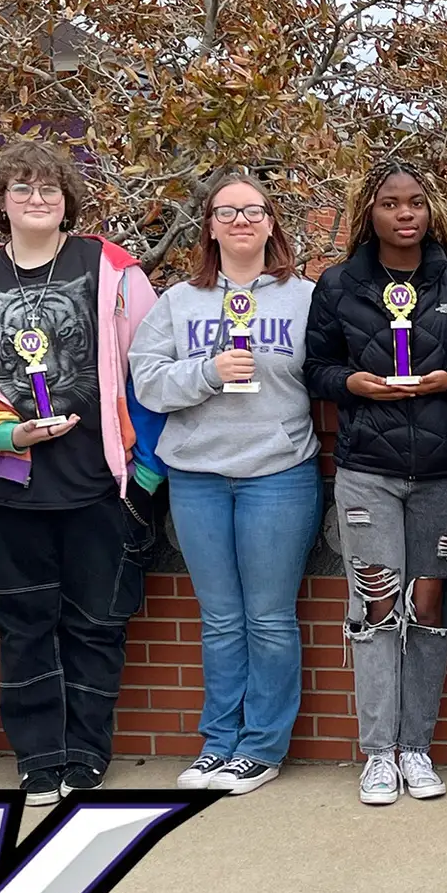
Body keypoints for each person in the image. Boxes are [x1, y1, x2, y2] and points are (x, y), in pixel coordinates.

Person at [0, 140, 165, 806]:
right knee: (24, 626)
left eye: (50, 189)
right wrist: (3, 432)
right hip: (10, 485)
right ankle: (39, 759)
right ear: (1, 200)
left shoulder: (111, 268)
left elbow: (154, 370)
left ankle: (86, 754)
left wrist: (144, 473)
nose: (37, 199)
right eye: (23, 188)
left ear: (68, 202)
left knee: (95, 625)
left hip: (97, 481)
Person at [306, 159, 447, 805]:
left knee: (431, 607)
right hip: (367, 473)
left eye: (415, 202)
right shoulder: (338, 285)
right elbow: (317, 370)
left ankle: (416, 747)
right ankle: (377, 754)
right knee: (377, 605)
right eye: (391, 202)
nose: (405, 213)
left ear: (430, 209)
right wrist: (350, 384)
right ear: (372, 211)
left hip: (441, 472)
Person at [131, 172, 320, 797]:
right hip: (198, 477)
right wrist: (207, 372)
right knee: (218, 619)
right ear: (209, 224)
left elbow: (330, 371)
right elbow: (148, 382)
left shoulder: (306, 298)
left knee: (268, 618)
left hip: (278, 472)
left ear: (271, 222)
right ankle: (218, 742)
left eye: (254, 210)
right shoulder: (178, 302)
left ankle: (261, 746)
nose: (241, 220)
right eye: (227, 211)